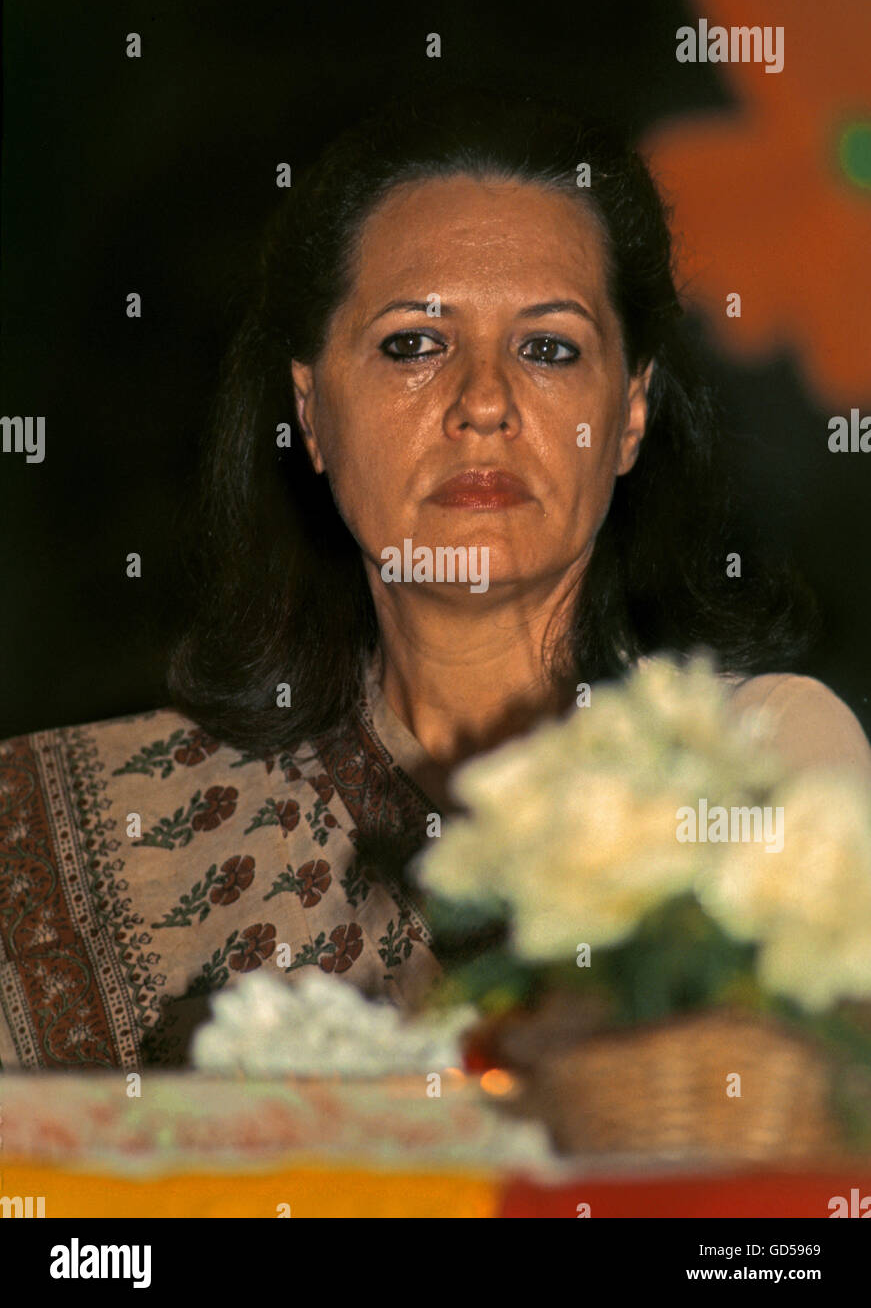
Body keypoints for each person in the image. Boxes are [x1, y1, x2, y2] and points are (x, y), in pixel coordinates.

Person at [1, 90, 868, 1070]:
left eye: (548, 348)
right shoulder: (66, 820)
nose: (484, 402)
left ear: (628, 417)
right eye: (413, 343)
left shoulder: (762, 764)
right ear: (311, 412)